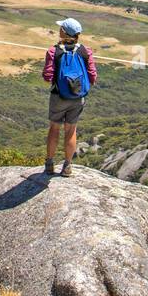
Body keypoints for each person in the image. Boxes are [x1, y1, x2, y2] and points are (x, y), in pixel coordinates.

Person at [41, 17, 97, 177]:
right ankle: (67, 166)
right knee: (71, 130)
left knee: (54, 128)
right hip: (78, 98)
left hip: (58, 96)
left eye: (61, 28)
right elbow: (92, 75)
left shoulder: (54, 51)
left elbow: (47, 76)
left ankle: (50, 164)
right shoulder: (85, 51)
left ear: (63, 32)